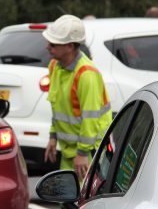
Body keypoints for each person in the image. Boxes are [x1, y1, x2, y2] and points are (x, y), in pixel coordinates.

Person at [42, 15, 113, 179]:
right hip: (70, 150)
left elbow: (90, 119)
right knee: (67, 199)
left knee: (82, 202)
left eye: (53, 44)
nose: (48, 47)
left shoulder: (86, 74)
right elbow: (57, 106)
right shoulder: (55, 66)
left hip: (89, 151)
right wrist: (53, 137)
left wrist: (82, 153)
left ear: (69, 46)